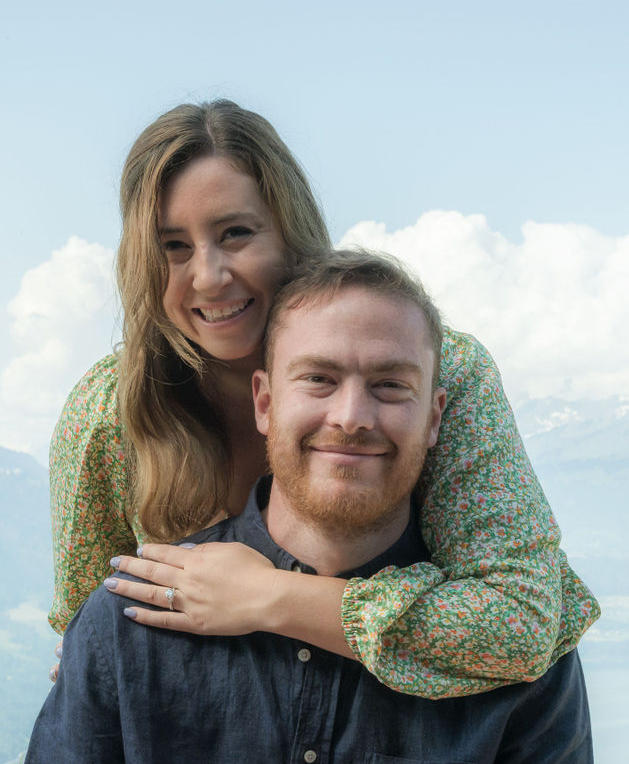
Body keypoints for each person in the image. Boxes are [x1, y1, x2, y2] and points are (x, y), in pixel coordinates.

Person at [0, 251, 599, 764]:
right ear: (263, 401)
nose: (351, 416)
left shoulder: (509, 649)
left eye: (390, 385)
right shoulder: (129, 622)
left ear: (437, 416)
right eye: (318, 378)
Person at [49, 99, 597, 697]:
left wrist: (270, 598)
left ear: (292, 231)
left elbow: (521, 620)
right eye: (173, 247)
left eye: (235, 233)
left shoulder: (440, 371)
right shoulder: (110, 414)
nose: (208, 276)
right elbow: (89, 645)